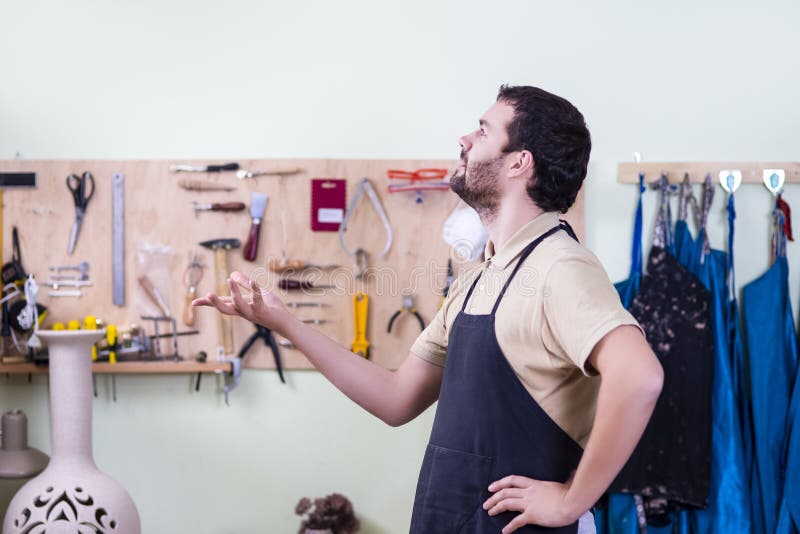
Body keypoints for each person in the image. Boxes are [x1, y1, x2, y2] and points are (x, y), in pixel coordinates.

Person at [193, 85, 663, 534]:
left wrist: (570, 501)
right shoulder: (479, 277)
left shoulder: (561, 267)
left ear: (520, 162)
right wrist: (284, 322)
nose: (464, 140)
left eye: (483, 131)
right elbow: (396, 399)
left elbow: (640, 377)